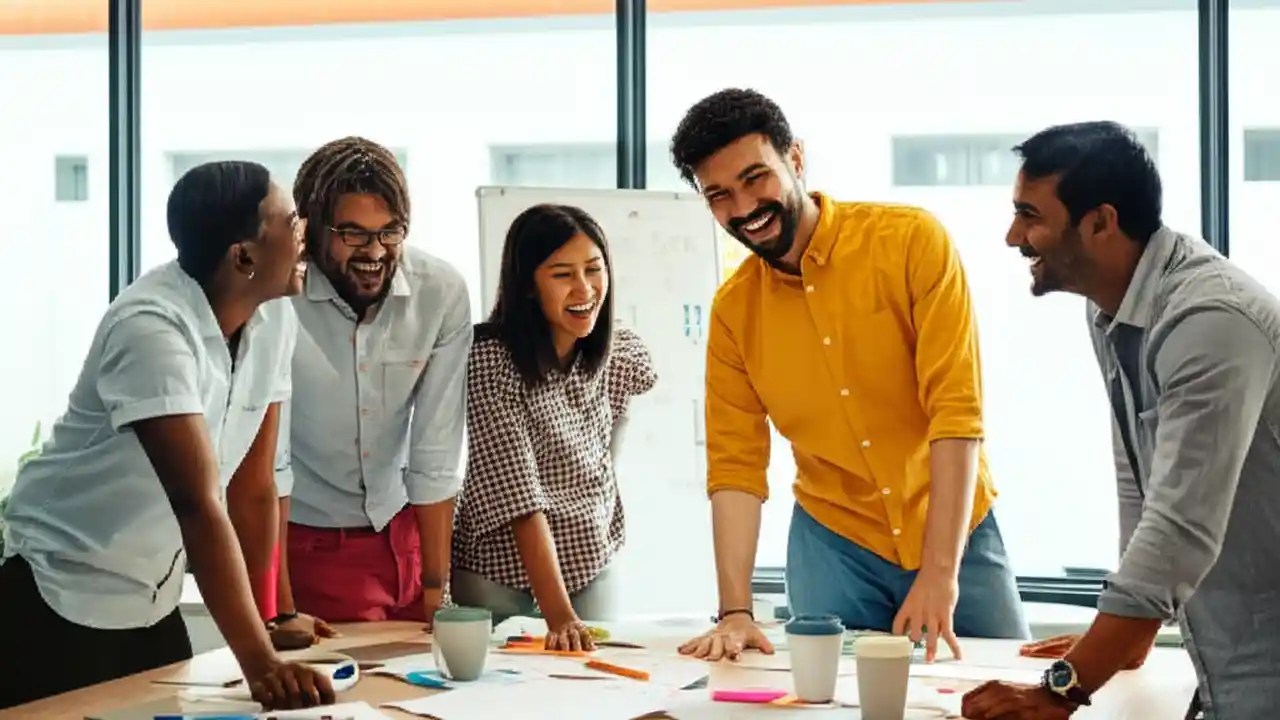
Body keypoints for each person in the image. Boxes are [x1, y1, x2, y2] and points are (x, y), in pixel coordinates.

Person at [668, 88, 1029, 664]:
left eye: (756, 178)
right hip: (832, 545)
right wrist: (736, 610)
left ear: (795, 158)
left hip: (952, 529)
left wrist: (940, 573)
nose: (744, 207)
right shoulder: (734, 311)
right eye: (719, 195)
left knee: (1004, 689)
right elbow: (736, 465)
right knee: (824, 698)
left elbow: (956, 413)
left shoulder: (910, 241)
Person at [962, 122, 1280, 720]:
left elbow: (1178, 530)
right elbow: (1140, 480)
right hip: (1230, 648)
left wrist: (1063, 688)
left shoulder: (1210, 319)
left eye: (1030, 215)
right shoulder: (1113, 308)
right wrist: (1121, 639)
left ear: (1101, 222)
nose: (1013, 237)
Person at [0, 161, 334, 709]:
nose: (304, 233)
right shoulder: (150, 328)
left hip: (153, 599)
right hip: (59, 594)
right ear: (243, 257)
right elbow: (197, 503)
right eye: (289, 221)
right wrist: (261, 665)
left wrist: (271, 619)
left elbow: (253, 489)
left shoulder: (274, 319)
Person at [269, 137, 470, 636]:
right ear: (310, 230)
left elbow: (436, 451)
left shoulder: (439, 291)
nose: (375, 252)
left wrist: (437, 591)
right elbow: (268, 467)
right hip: (306, 545)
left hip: (406, 537)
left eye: (390, 232)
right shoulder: (276, 299)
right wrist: (279, 609)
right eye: (353, 234)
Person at [451, 203, 657, 651]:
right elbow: (520, 497)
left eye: (594, 269)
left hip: (587, 560)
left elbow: (607, 460)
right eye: (563, 274)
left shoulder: (617, 351)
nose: (585, 289)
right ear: (527, 285)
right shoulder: (490, 359)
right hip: (499, 571)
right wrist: (561, 617)